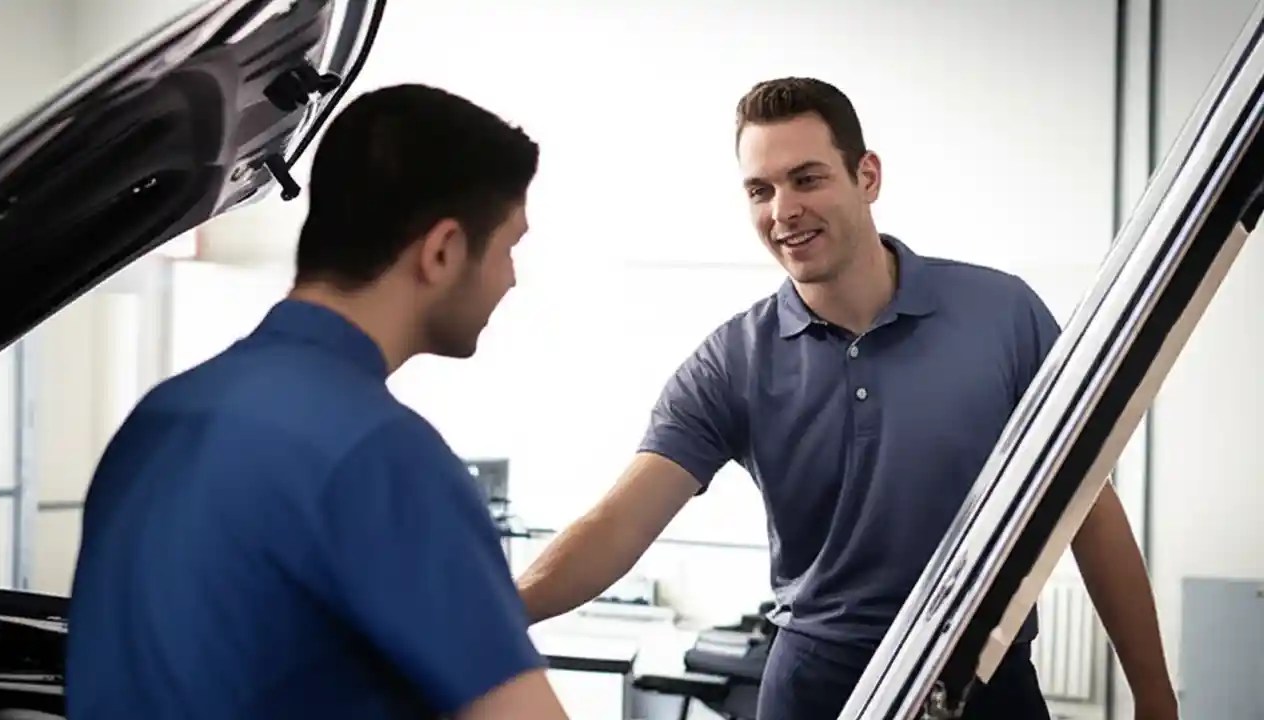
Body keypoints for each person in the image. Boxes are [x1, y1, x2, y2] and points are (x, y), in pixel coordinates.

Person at [516, 77, 1179, 719]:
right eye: (760, 189)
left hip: (985, 679)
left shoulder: (1003, 314)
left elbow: (1088, 505)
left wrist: (1154, 696)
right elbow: (619, 524)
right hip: (818, 689)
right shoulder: (732, 361)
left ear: (867, 177)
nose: (783, 211)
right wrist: (492, 612)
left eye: (806, 179)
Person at [65, 84, 568, 720]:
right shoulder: (380, 455)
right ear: (442, 251)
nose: (512, 277)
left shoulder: (157, 419)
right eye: (509, 247)